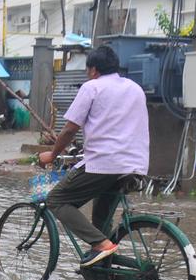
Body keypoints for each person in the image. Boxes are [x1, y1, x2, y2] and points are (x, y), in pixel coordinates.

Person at [38, 45, 149, 268]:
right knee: (101, 216)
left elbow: (69, 129)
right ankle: (103, 264)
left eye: (88, 70)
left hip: (105, 163)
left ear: (93, 70)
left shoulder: (92, 87)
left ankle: (101, 244)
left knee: (56, 200)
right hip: (135, 164)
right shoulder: (135, 88)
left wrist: (53, 154)